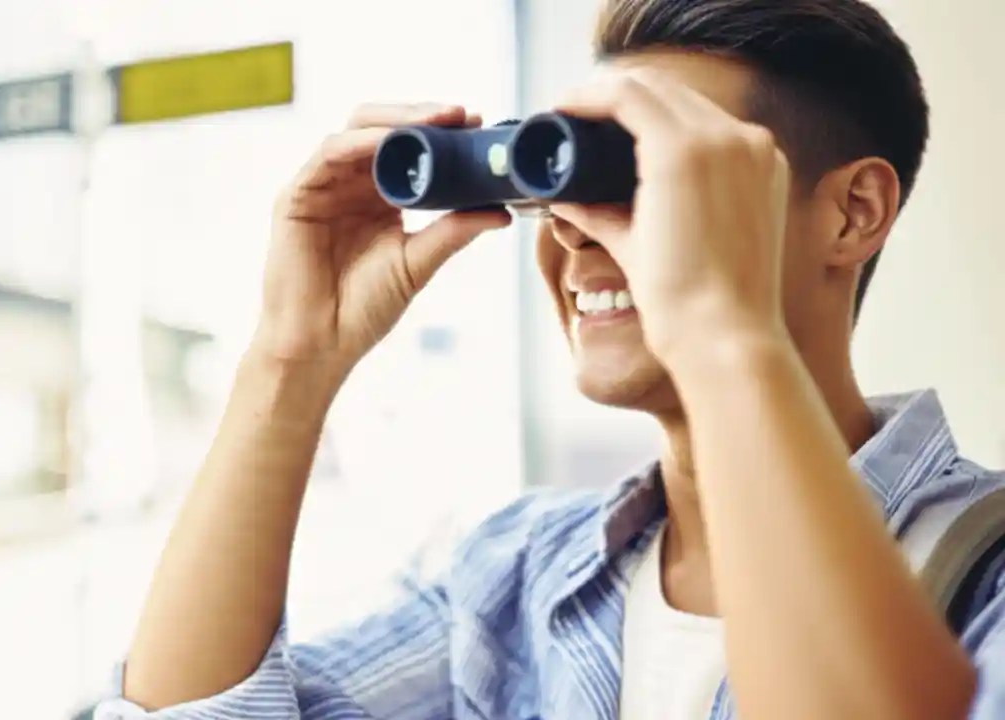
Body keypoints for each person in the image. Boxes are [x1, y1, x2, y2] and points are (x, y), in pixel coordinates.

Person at [97, 0, 1005, 717]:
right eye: (559, 182)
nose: (571, 226)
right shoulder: (515, 574)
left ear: (852, 214)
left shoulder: (986, 578)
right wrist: (290, 362)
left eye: (644, 173)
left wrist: (722, 337)